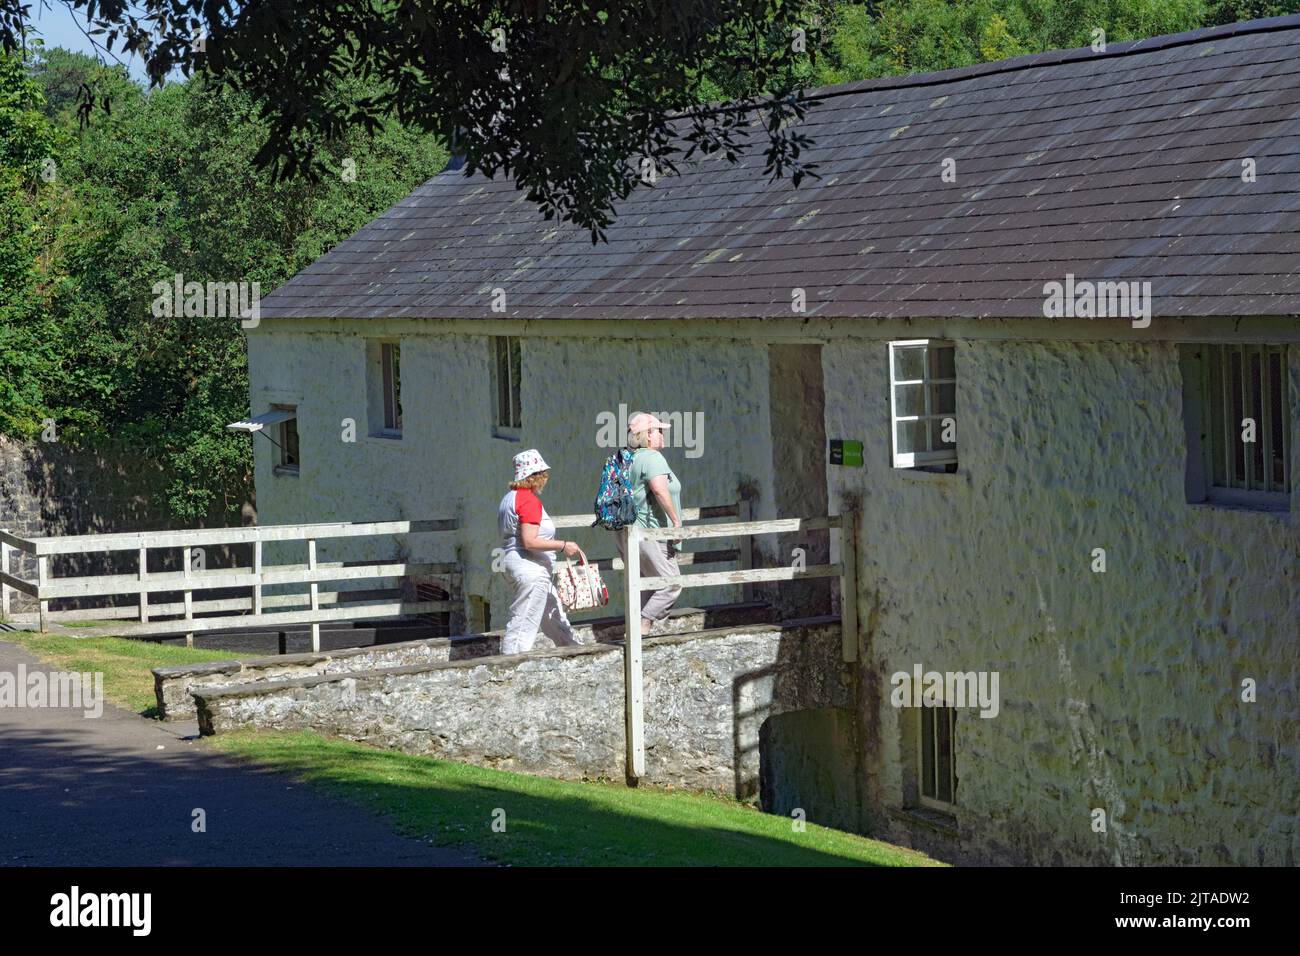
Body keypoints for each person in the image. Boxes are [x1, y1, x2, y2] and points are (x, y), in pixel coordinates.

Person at [497, 449, 584, 654]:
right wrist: (563, 545)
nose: (545, 479)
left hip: (515, 563)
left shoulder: (509, 498)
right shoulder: (528, 500)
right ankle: (510, 668)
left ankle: (573, 653)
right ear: (535, 477)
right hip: (530, 568)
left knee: (554, 618)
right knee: (523, 622)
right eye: (543, 475)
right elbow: (529, 541)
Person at [614, 412, 684, 636]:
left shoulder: (628, 458)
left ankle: (635, 634)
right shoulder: (652, 458)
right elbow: (659, 490)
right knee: (671, 583)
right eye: (659, 431)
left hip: (630, 533)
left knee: (647, 582)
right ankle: (642, 627)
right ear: (648, 435)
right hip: (651, 531)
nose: (663, 435)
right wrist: (676, 521)